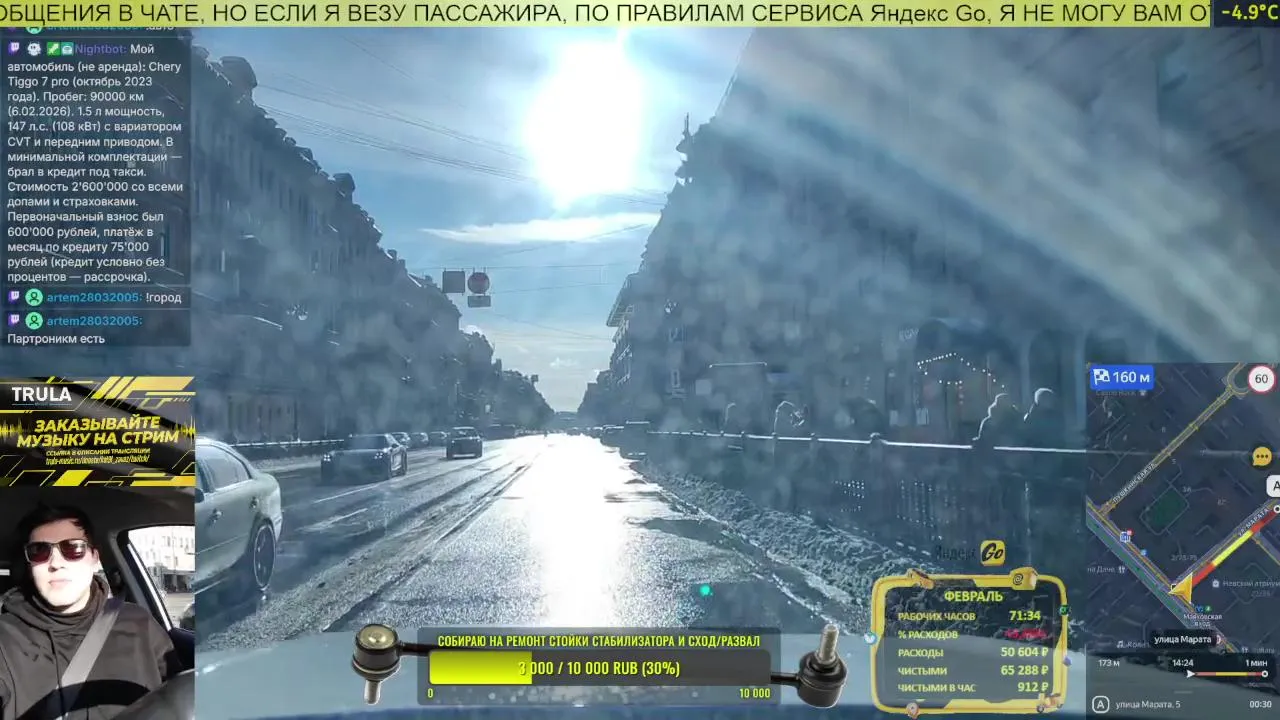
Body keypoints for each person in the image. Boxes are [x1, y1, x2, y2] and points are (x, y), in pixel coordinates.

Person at [0, 504, 184, 720]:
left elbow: (179, 698)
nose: (56, 563)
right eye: (39, 551)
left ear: (95, 558)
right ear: (30, 566)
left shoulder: (140, 624)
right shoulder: (5, 640)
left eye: (73, 548)